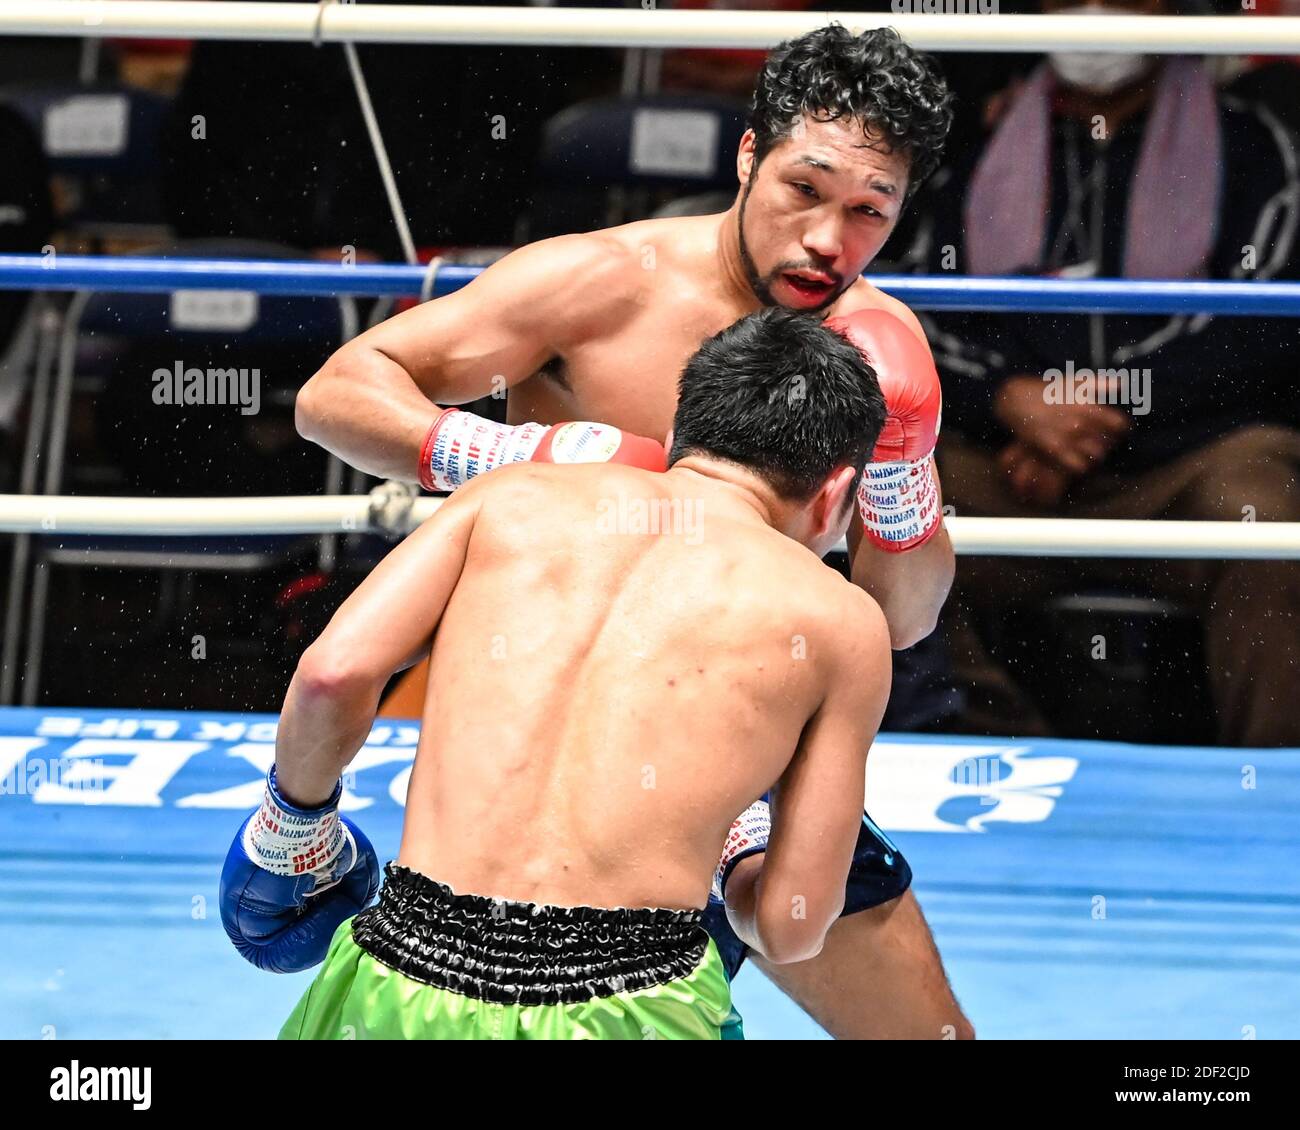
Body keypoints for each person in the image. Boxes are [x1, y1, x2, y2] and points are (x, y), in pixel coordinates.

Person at [295, 24, 972, 1039]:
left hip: (743, 745)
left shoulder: (874, 348)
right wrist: (518, 459)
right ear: (748, 155)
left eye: (868, 212)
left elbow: (895, 615)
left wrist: (902, 468)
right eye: (804, 189)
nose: (829, 239)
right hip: (561, 731)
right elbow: (338, 392)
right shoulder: (601, 282)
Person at [220, 308, 893, 1040]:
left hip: (405, 974)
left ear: (676, 439)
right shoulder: (842, 621)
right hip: (632, 1006)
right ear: (837, 495)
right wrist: (738, 838)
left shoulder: (506, 501)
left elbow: (332, 674)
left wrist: (295, 829)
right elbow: (789, 929)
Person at [906, 0, 1300, 745]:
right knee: (885, 494)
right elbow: (919, 311)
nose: (1094, 12)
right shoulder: (969, 146)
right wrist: (1008, 403)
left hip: (1182, 466)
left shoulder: (1254, 143)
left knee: (1267, 512)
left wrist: (1083, 418)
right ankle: (995, 762)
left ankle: (1273, 798)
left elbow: (1265, 328)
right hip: (1007, 463)